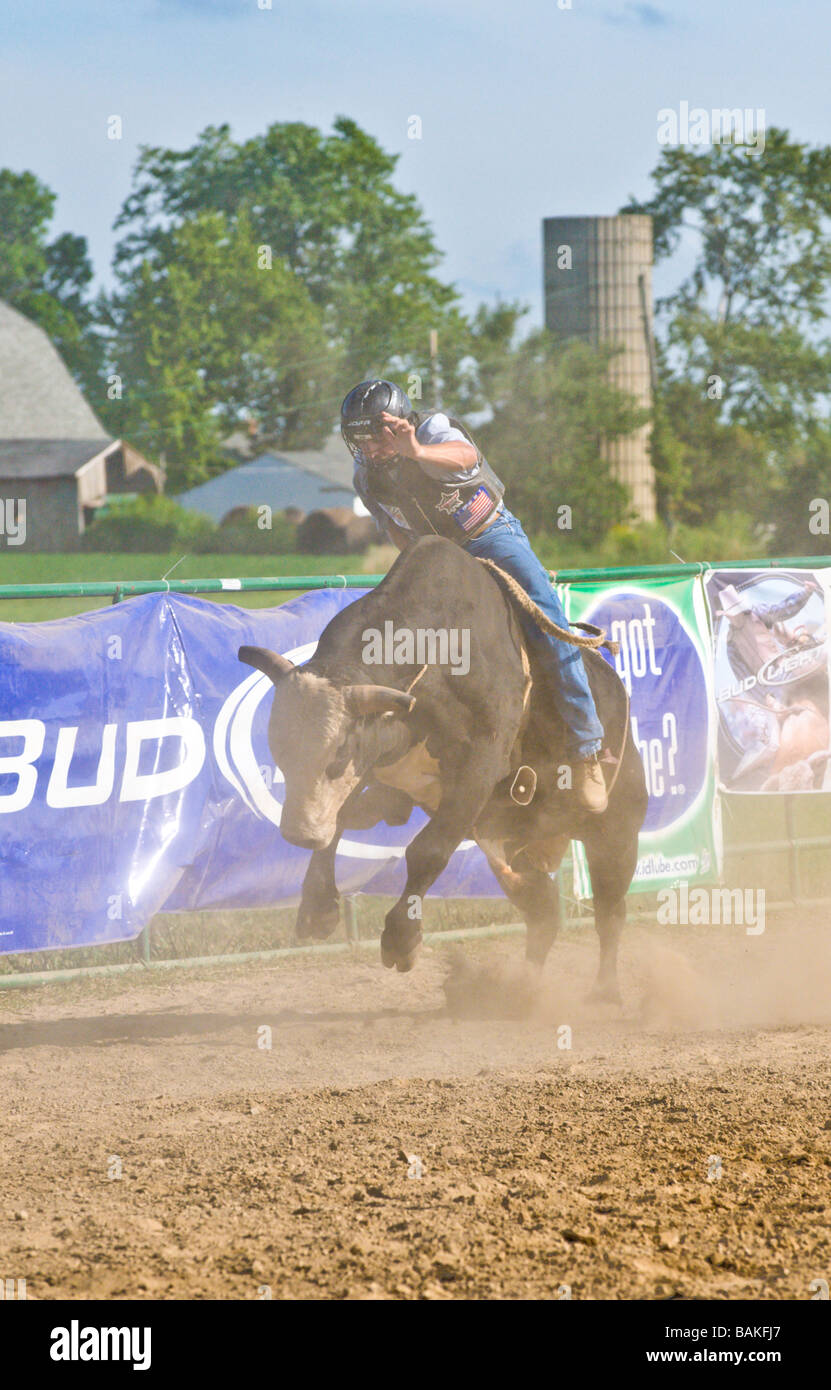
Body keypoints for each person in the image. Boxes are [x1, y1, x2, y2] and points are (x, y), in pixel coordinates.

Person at [340, 379, 608, 812]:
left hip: (490, 535)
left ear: (401, 423)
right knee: (397, 637)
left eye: (377, 435)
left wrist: (417, 453)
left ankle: (586, 747)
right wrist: (414, 569)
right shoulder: (365, 478)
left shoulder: (433, 430)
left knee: (549, 624)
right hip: (437, 555)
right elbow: (393, 526)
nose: (370, 448)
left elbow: (466, 456)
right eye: (361, 439)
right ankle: (386, 762)